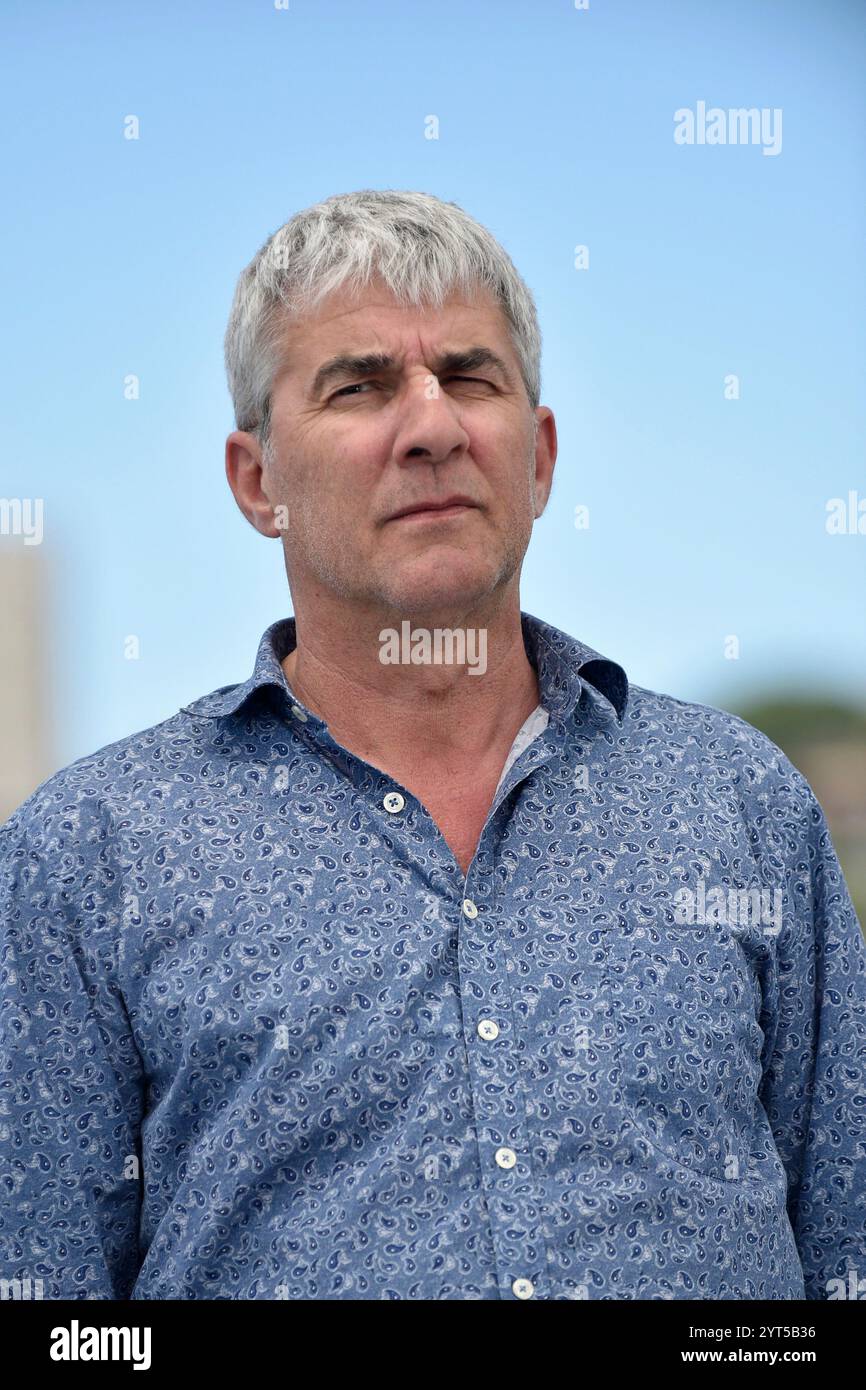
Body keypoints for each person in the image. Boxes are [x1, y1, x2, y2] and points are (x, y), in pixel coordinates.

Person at [1, 190, 864, 1301]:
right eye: (358, 386)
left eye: (468, 376)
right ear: (257, 482)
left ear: (538, 459)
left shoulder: (739, 803)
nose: (432, 427)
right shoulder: (86, 855)